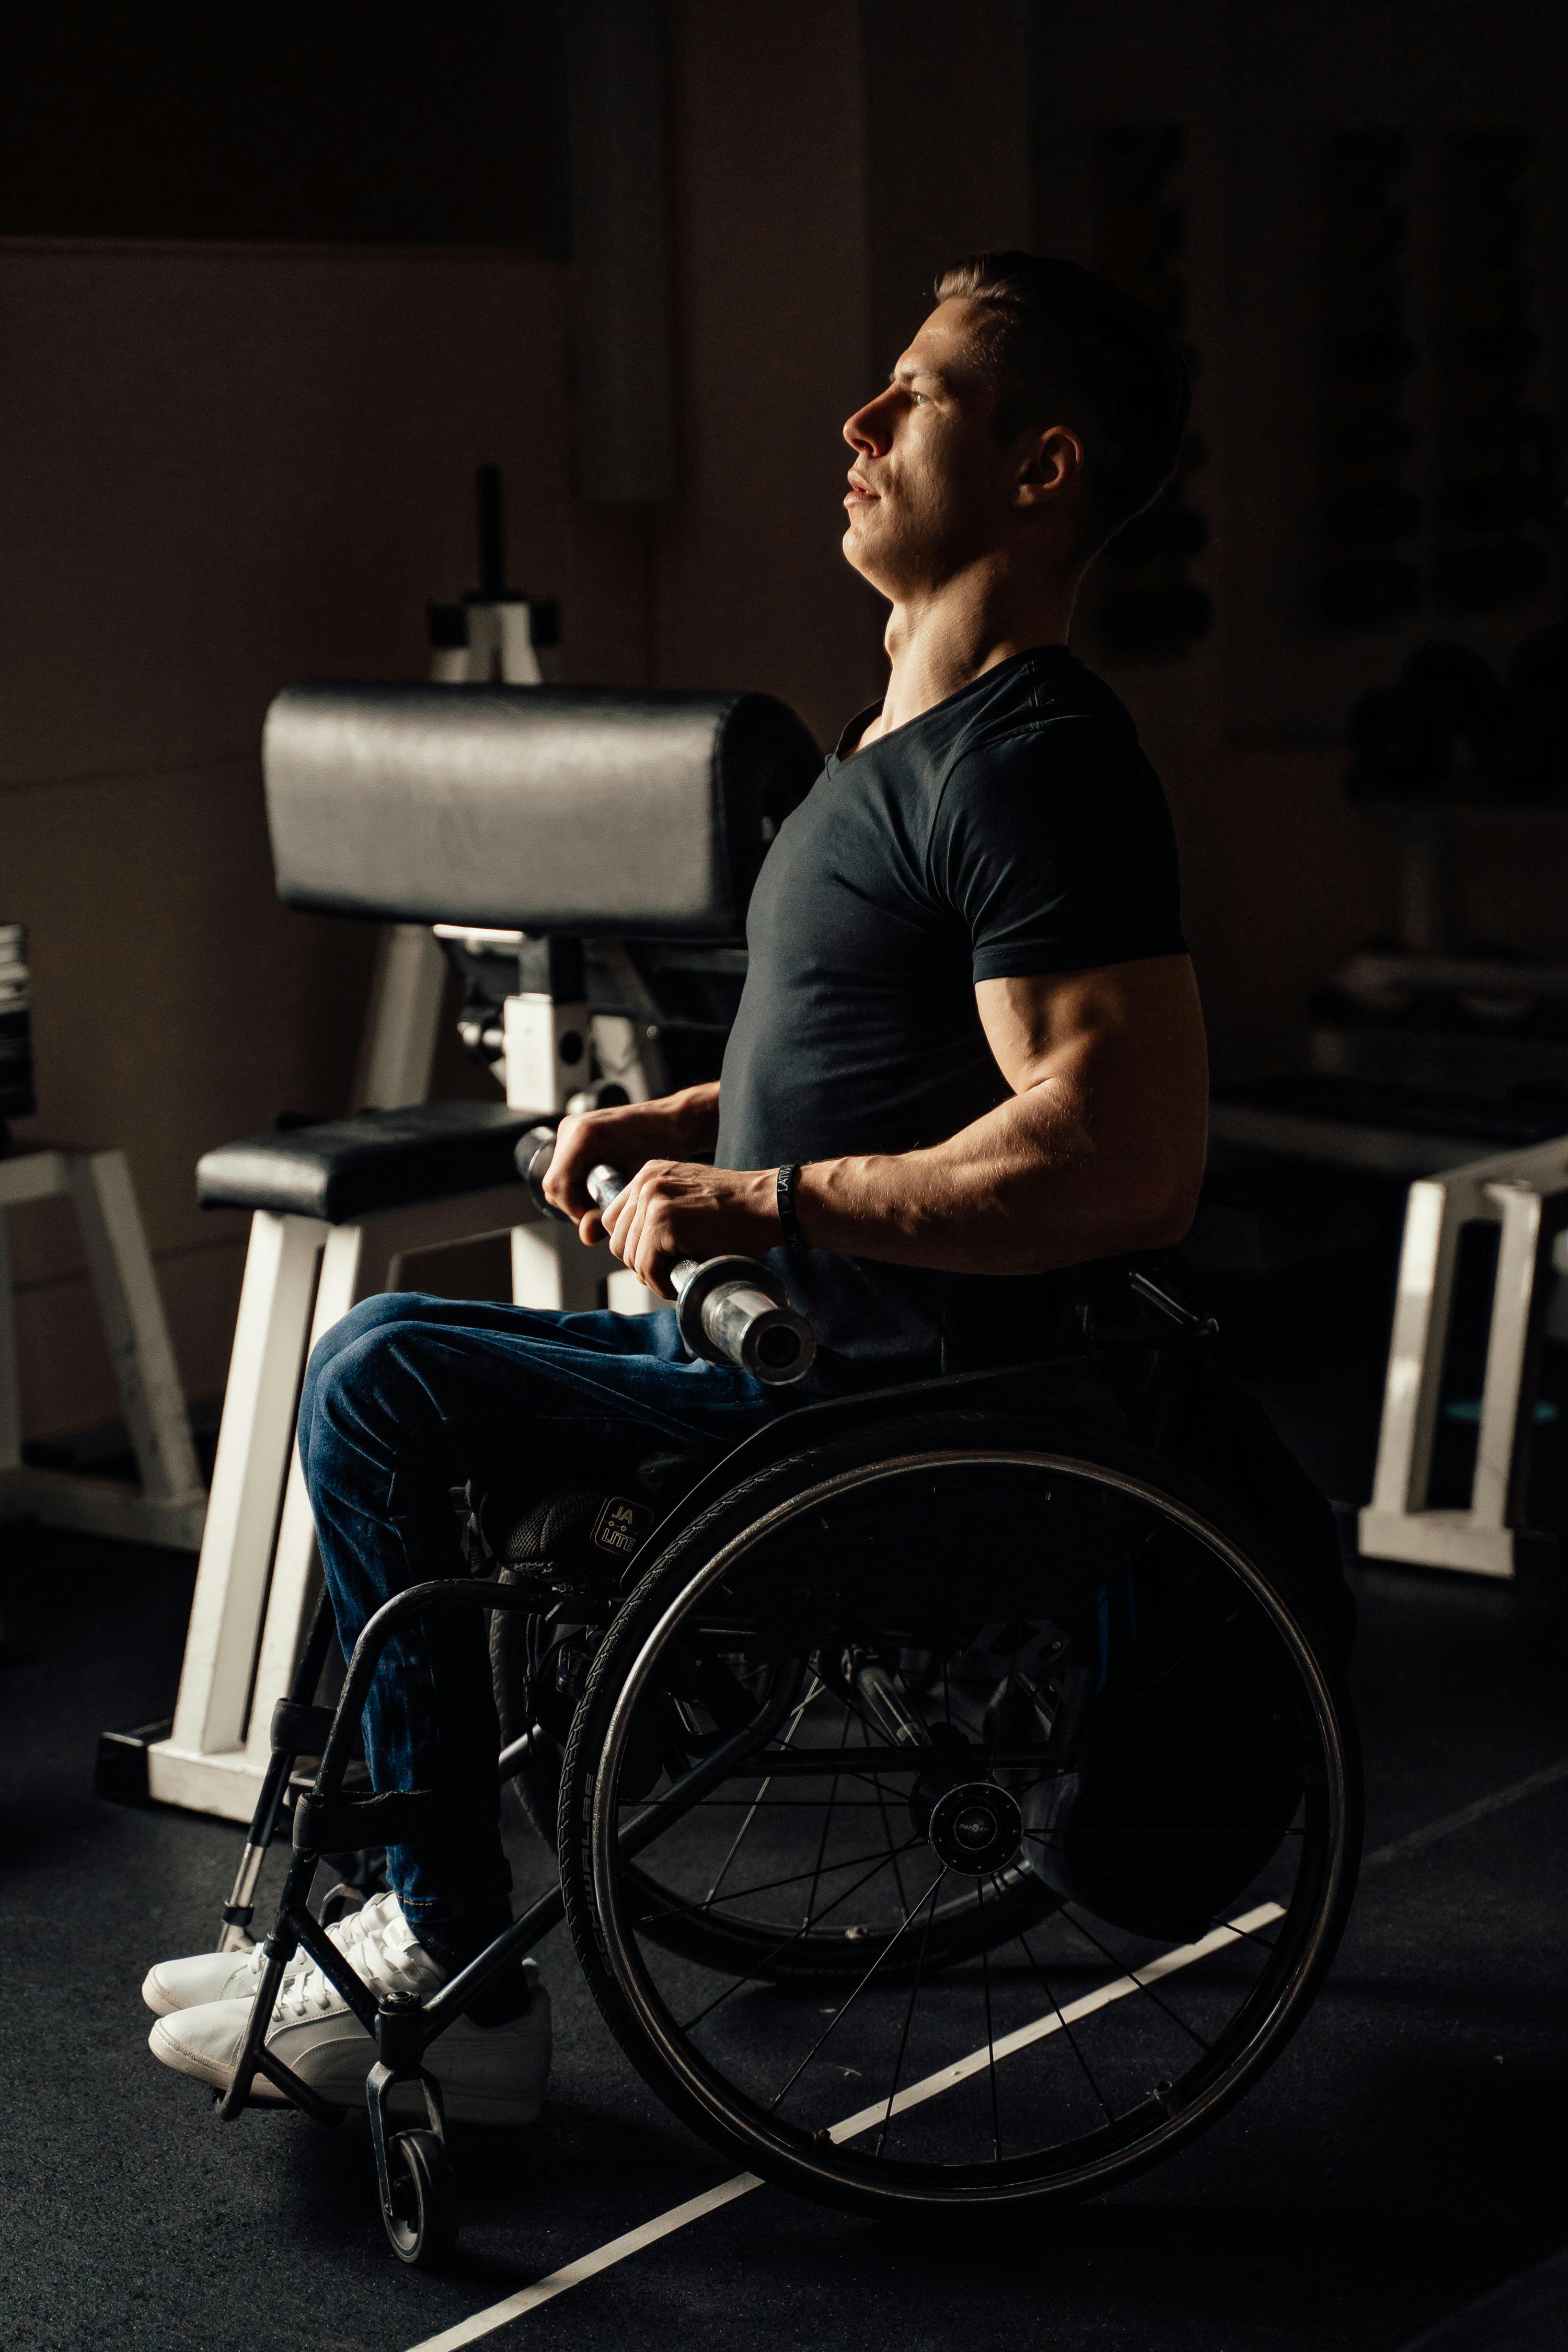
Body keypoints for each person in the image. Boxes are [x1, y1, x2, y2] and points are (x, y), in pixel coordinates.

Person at [145, 251, 1208, 2124]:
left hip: (876, 1414)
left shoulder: (1039, 765)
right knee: (399, 1372)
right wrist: (686, 1131)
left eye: (920, 398)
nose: (859, 426)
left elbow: (1120, 1156)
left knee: (383, 1370)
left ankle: (454, 1971)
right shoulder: (902, 742)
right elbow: (912, 1064)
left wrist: (767, 1203)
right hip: (801, 1361)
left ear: (1041, 471)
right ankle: (384, 1907)